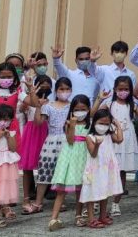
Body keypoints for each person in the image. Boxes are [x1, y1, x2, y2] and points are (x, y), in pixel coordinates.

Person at [96, 75, 138, 215]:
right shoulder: (109, 104)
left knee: (121, 171)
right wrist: (100, 99)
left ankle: (115, 203)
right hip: (112, 138)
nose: (123, 91)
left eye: (126, 89)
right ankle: (99, 200)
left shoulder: (132, 104)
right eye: (120, 89)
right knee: (106, 170)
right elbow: (96, 115)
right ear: (115, 89)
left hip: (127, 139)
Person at [47, 94, 92, 231]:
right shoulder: (68, 124)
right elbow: (71, 140)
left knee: (81, 189)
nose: (80, 112)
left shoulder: (89, 125)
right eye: (77, 109)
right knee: (61, 191)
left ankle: (78, 215)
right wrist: (72, 125)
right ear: (72, 110)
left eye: (83, 109)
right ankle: (54, 218)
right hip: (69, 158)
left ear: (88, 109)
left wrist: (100, 100)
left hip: (83, 157)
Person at [31, 77, 73, 210]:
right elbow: (38, 122)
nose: (64, 91)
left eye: (67, 89)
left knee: (63, 172)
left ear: (71, 90)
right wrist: (38, 106)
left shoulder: (73, 106)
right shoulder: (48, 106)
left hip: (67, 141)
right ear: (56, 91)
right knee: (45, 171)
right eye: (61, 89)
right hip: (51, 142)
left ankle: (60, 202)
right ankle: (38, 202)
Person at [80, 108, 124, 228]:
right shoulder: (90, 137)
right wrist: (97, 145)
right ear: (94, 122)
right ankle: (91, 219)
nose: (103, 126)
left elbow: (120, 139)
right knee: (91, 192)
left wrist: (118, 126)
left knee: (105, 191)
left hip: (107, 169)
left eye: (106, 124)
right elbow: (93, 154)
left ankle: (102, 215)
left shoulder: (109, 135)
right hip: (94, 170)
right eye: (101, 123)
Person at [19, 75, 52, 214]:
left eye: (47, 85)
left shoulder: (52, 102)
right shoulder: (29, 100)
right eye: (41, 84)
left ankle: (41, 199)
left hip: (45, 133)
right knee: (27, 167)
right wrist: (32, 92)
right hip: (31, 133)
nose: (44, 87)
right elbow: (24, 107)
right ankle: (26, 198)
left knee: (46, 167)